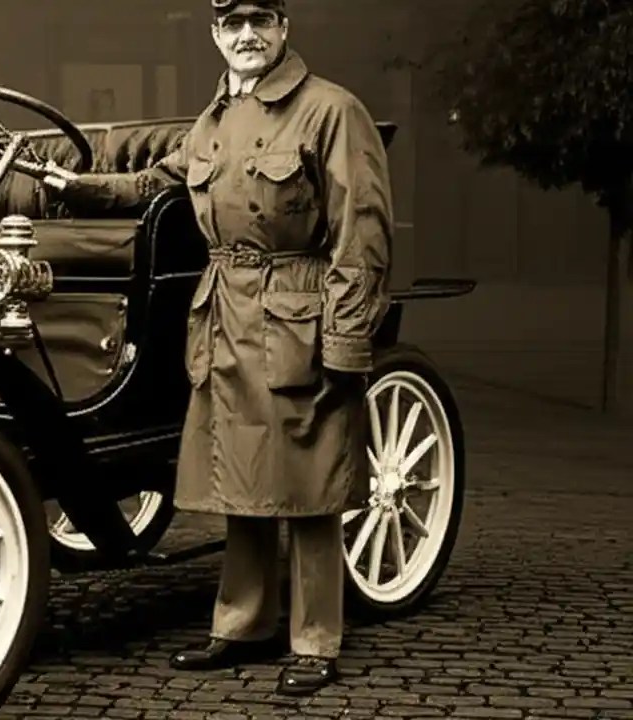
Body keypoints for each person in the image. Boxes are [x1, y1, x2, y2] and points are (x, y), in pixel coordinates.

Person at [44, 0, 393, 696]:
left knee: (309, 480)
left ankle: (316, 640)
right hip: (225, 310)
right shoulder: (214, 121)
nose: (247, 36)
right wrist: (75, 185)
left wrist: (348, 340)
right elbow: (159, 183)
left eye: (261, 20)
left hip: (298, 306)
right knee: (244, 478)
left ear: (284, 28)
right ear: (215, 34)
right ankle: (242, 626)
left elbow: (365, 233)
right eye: (233, 24)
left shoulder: (330, 110)